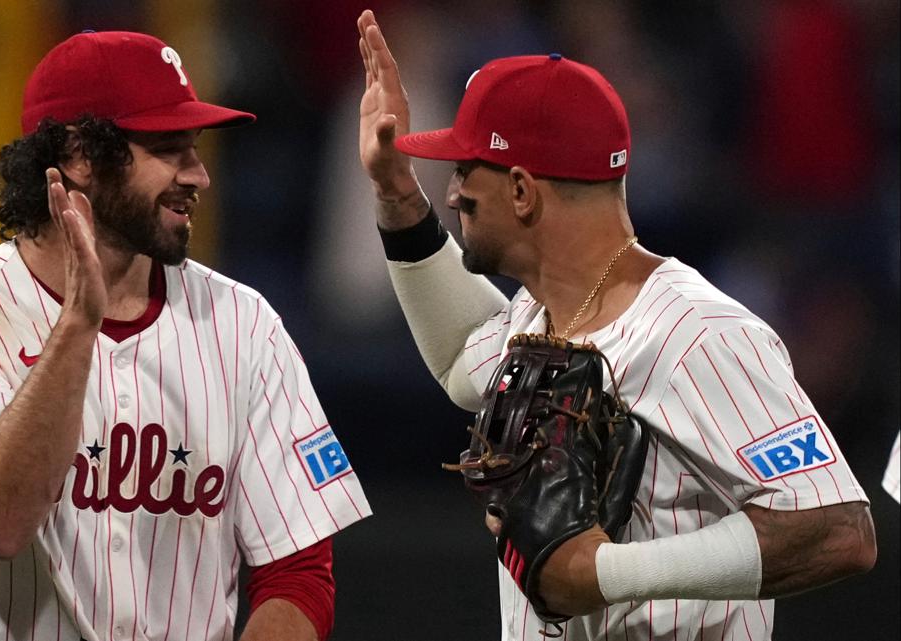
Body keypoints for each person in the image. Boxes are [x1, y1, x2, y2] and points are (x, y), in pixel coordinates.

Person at [355, 9, 875, 640]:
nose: (454, 191)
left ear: (522, 191)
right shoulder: (540, 315)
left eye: (466, 169)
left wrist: (603, 573)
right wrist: (396, 195)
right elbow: (463, 355)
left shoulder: (698, 333)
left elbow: (838, 530)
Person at [0, 30, 370, 641]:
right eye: (168, 149)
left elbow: (298, 575)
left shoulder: (245, 327)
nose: (198, 175)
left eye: (194, 148)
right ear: (80, 156)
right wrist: (78, 327)